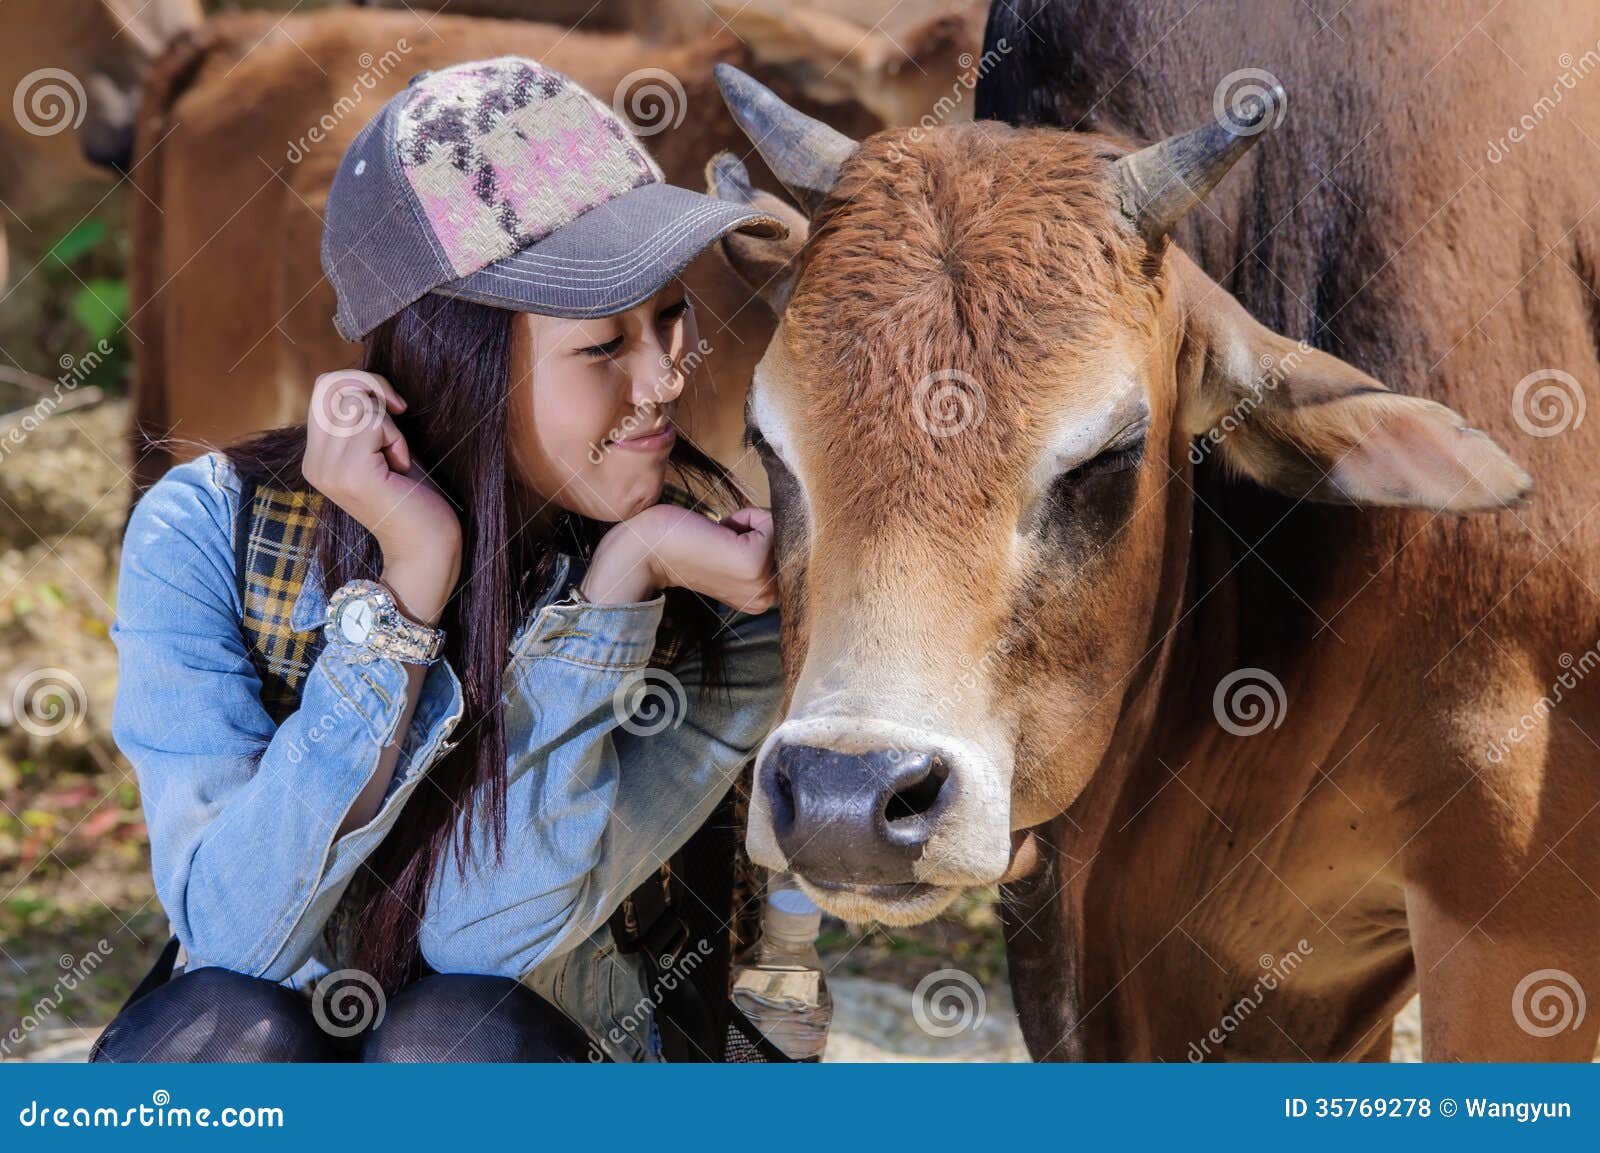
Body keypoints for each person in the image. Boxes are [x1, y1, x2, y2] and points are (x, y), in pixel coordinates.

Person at [93, 57, 788, 1062]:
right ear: (450, 354)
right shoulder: (202, 530)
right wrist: (407, 588)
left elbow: (484, 941)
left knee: (449, 1038)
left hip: (544, 1055)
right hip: (277, 1047)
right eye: (603, 347)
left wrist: (617, 584)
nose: (665, 377)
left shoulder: (723, 602)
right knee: (221, 1031)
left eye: (669, 315)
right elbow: (235, 935)